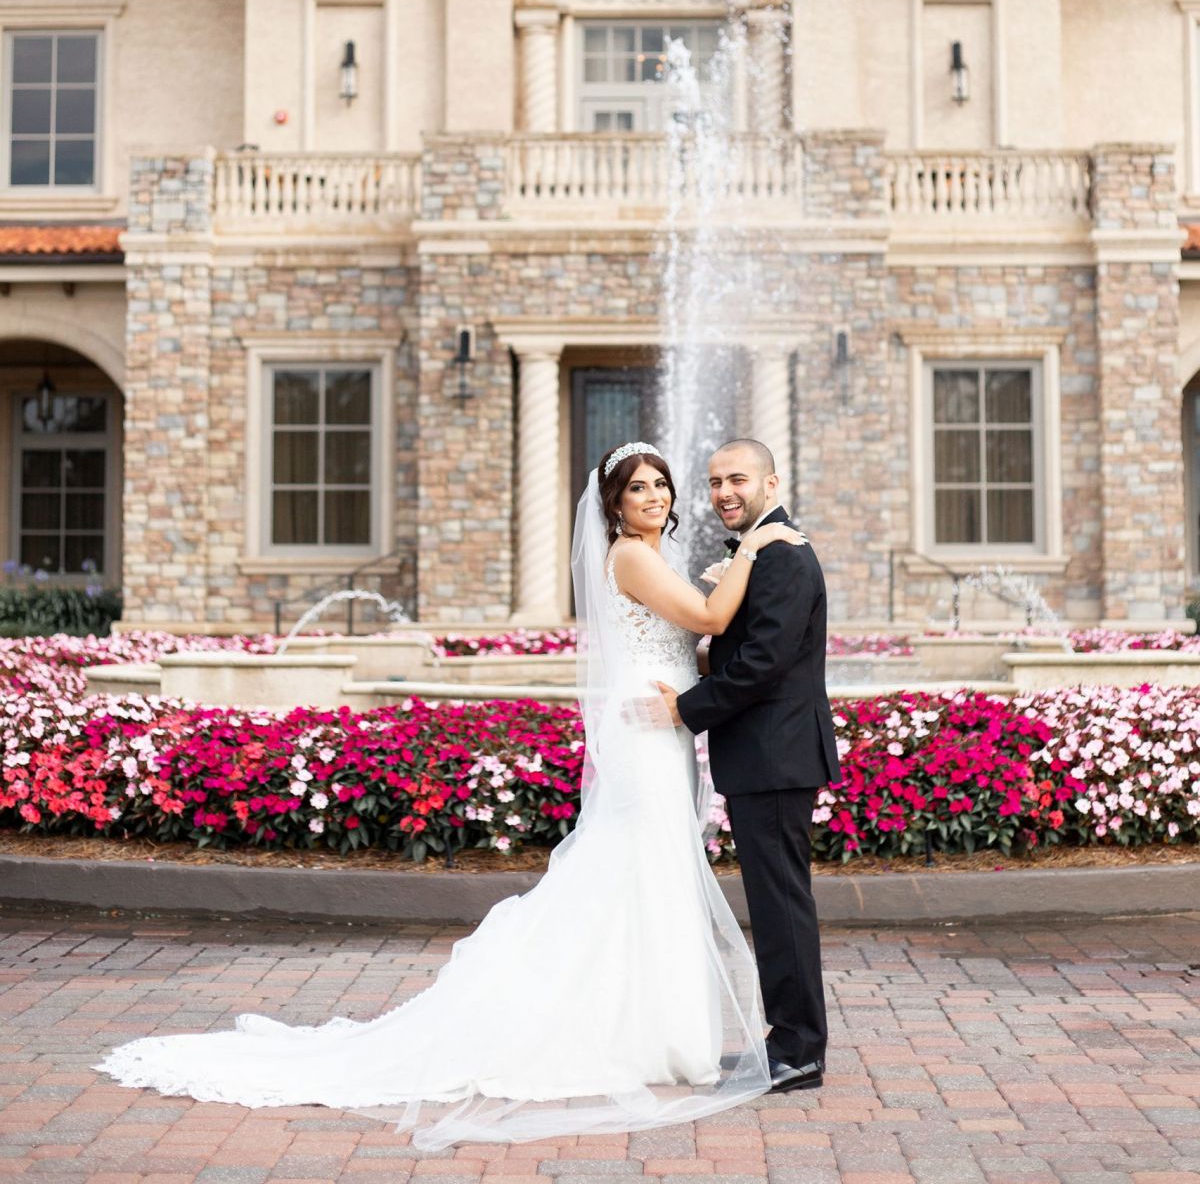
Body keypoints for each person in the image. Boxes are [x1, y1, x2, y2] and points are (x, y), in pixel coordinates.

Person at [96, 441, 803, 1151]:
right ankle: (646, 1033)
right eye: (638, 488)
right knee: (643, 864)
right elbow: (710, 620)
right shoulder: (631, 555)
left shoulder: (655, 556)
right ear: (613, 504)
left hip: (660, 722)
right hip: (645, 727)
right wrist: (755, 546)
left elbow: (691, 642)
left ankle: (658, 1028)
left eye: (662, 485)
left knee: (651, 867)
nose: (655, 496)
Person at [651, 439, 841, 1093]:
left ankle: (799, 1050)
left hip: (778, 754)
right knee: (775, 899)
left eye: (737, 478)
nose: (724, 491)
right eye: (714, 481)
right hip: (767, 753)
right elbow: (744, 648)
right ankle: (786, 1040)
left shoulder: (783, 555)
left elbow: (762, 664)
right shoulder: (760, 550)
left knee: (781, 903)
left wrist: (686, 707)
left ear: (771, 480)